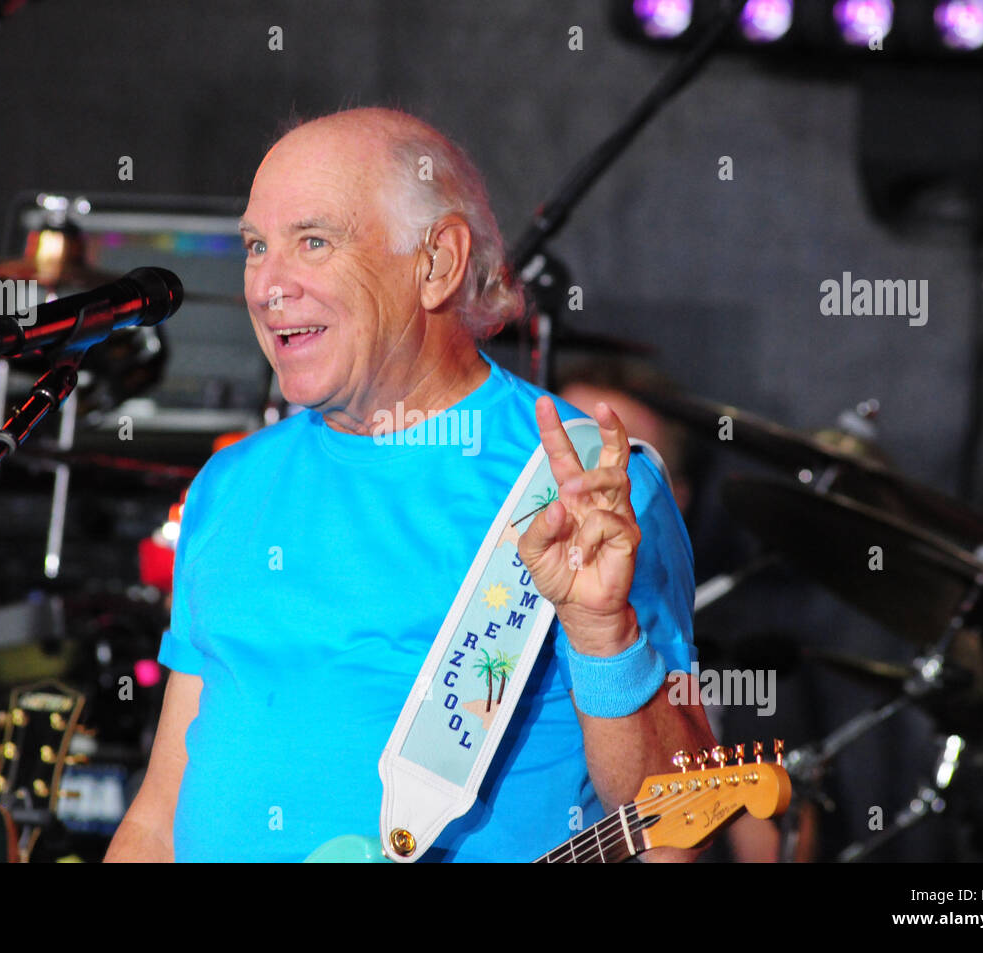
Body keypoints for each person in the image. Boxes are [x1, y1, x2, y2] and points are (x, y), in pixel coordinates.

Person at [105, 107, 716, 863]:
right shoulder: (230, 482)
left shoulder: (577, 484)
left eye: (314, 242)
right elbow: (160, 816)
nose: (266, 285)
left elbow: (674, 824)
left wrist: (605, 635)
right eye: (257, 246)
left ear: (437, 263)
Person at [556, 355, 781, 863]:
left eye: (622, 462)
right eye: (571, 451)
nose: (586, 484)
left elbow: (768, 847)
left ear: (674, 496)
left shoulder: (739, 649)